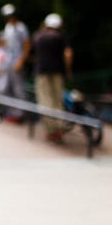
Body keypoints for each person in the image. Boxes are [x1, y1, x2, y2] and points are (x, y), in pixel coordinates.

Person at [32, 13, 73, 143]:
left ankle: (50, 130)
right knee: (58, 100)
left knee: (45, 100)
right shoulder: (60, 36)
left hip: (41, 72)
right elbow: (67, 54)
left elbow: (32, 54)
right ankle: (59, 128)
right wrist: (68, 70)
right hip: (57, 72)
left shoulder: (38, 36)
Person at [0, 4, 30, 122]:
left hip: (17, 62)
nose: (9, 18)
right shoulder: (7, 27)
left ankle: (21, 115)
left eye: (11, 15)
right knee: (5, 89)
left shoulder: (21, 27)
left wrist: (21, 61)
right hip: (8, 63)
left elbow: (27, 45)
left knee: (19, 89)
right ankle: (12, 113)